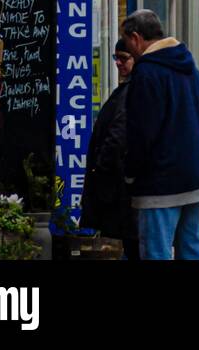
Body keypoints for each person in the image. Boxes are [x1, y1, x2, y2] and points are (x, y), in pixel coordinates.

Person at [121, 9, 199, 260]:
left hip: (161, 181)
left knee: (156, 252)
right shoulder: (190, 68)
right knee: (191, 248)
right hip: (195, 174)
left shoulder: (147, 73)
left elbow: (141, 132)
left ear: (136, 38)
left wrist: (130, 173)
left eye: (127, 42)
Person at [81, 40, 138, 259]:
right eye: (116, 58)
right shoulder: (128, 89)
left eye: (124, 58)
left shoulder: (130, 91)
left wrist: (100, 168)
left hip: (119, 184)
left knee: (133, 245)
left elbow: (118, 137)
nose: (119, 64)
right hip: (117, 184)